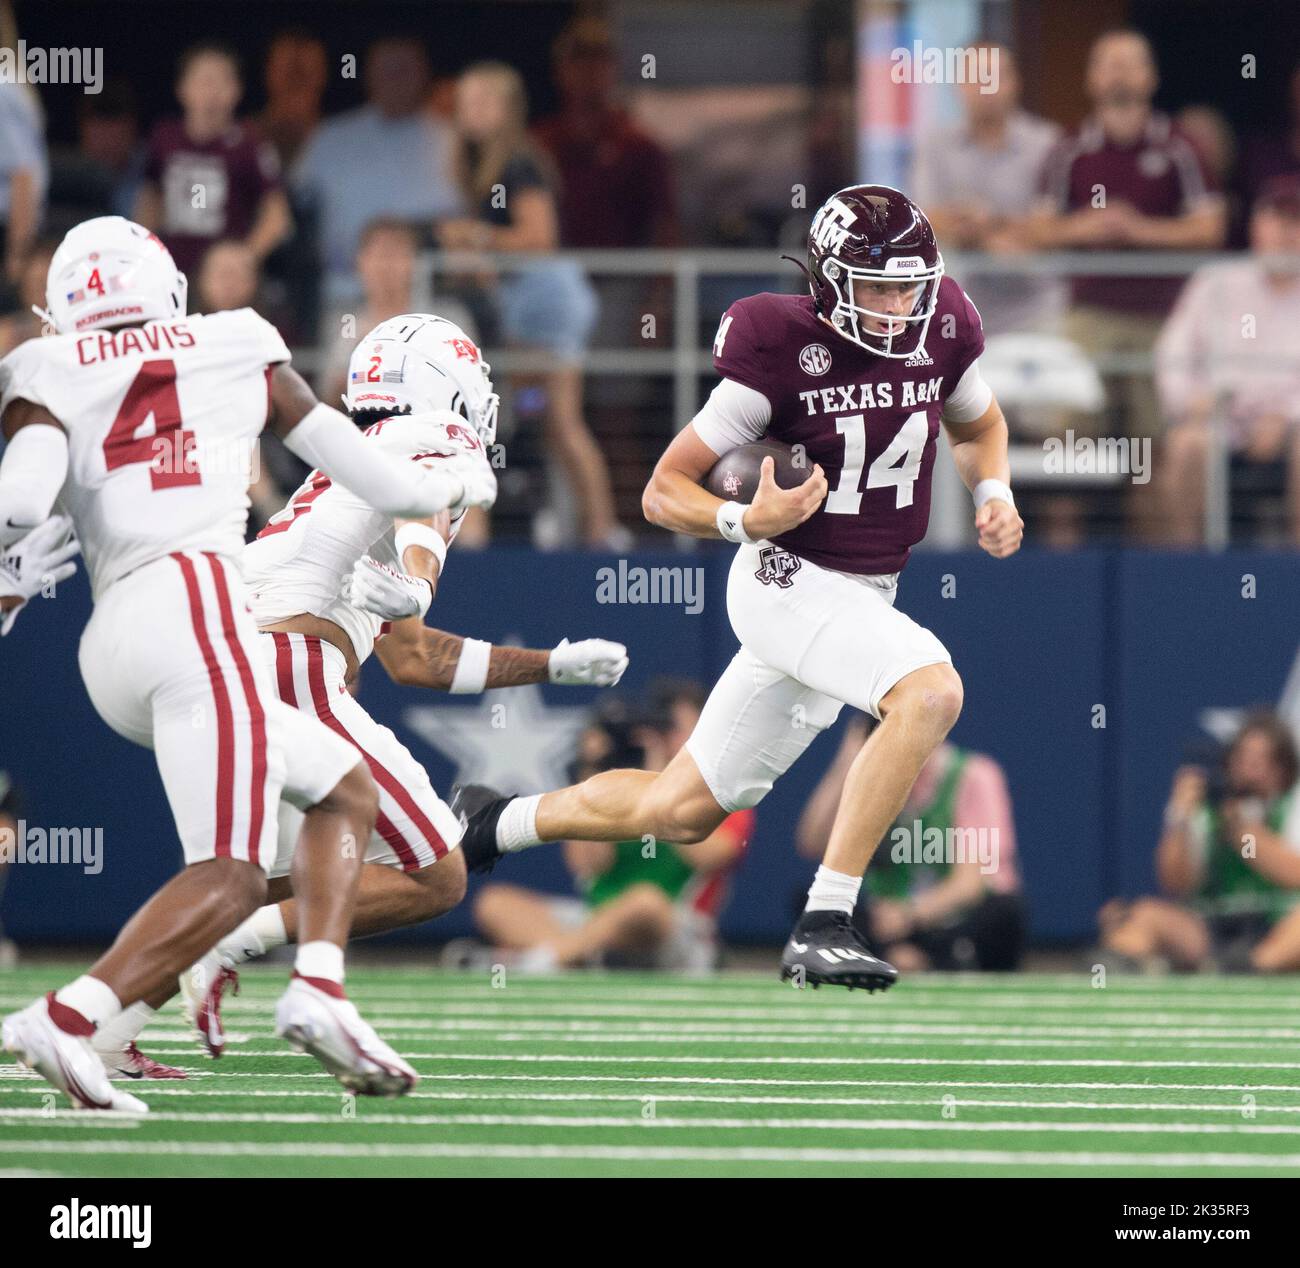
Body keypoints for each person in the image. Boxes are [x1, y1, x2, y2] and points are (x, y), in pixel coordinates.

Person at [454, 184, 1023, 992]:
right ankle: (828, 919)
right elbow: (661, 490)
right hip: (788, 576)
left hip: (864, 592)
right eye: (880, 287)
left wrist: (994, 492)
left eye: (910, 285)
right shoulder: (778, 343)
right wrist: (741, 519)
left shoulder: (943, 325)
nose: (899, 305)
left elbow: (980, 426)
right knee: (929, 693)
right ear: (829, 281)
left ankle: (493, 820)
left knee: (681, 810)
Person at [0, 216, 495, 1110]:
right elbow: (394, 486)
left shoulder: (49, 368)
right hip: (197, 610)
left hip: (116, 643)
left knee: (339, 793)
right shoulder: (235, 342)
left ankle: (314, 989)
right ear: (168, 291)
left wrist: (7, 574)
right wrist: (451, 488)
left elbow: (24, 500)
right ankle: (68, 1019)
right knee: (230, 875)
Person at [92, 313, 627, 1072]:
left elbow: (415, 659)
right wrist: (416, 579)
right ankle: (269, 968)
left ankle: (102, 1029)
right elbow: (423, 517)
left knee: (250, 879)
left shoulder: (341, 464)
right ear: (449, 390)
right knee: (437, 873)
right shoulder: (427, 439)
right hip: (292, 668)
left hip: (221, 669)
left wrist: (553, 665)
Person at [440, 61, 620, 548]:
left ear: (508, 109)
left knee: (560, 420)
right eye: (465, 103)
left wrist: (473, 236)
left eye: (483, 102)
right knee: (534, 417)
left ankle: (603, 532)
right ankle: (557, 525)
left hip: (547, 299)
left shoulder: (519, 161)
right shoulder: (485, 165)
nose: (470, 112)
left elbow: (540, 239)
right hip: (523, 299)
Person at [473, 680, 752, 973]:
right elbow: (588, 867)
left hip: (676, 928)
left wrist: (663, 784)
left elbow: (712, 856)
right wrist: (594, 768)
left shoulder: (720, 791)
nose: (669, 740)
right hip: (598, 920)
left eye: (677, 730)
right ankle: (571, 955)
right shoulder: (619, 781)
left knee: (646, 904)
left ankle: (551, 958)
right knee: (494, 904)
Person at [1029, 29, 1224, 446]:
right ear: (1091, 79)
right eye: (1108, 64)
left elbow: (1210, 227)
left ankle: (1150, 512)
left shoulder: (1179, 146)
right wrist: (1091, 225)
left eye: (1130, 64)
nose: (1118, 74)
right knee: (1067, 437)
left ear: (1151, 77)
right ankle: (1068, 511)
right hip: (1089, 313)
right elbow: (1039, 228)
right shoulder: (1070, 148)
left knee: (1156, 443)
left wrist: (1138, 228)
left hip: (1166, 316)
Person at [797, 715, 1025, 971]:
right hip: (885, 922)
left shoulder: (973, 776)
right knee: (812, 902)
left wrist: (909, 915)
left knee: (1003, 912)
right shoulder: (871, 782)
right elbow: (812, 843)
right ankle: (899, 956)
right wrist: (847, 765)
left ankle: (930, 960)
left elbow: (970, 884)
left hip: (952, 921)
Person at [1155, 177, 1300, 544]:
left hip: (1288, 424)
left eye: (1295, 222)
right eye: (1276, 219)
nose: (1285, 232)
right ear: (1256, 225)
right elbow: (1173, 351)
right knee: (1186, 446)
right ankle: (1187, 575)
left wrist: (1288, 416)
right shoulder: (1216, 281)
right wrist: (1190, 402)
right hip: (1218, 415)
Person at [1098, 713, 1300, 973]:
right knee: (1143, 915)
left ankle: (1248, 965)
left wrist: (1242, 830)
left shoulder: (1291, 806)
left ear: (1283, 771)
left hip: (1275, 925)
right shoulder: (1206, 809)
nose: (1250, 770)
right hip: (1214, 927)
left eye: (1262, 761)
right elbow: (1174, 883)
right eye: (1243, 759)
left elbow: (1295, 874)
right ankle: (1125, 963)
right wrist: (1179, 820)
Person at [909, 41, 1062, 336]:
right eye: (976, 76)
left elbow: (1055, 224)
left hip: (1039, 310)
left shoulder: (1048, 144)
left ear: (1015, 82)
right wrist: (986, 236)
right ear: (958, 85)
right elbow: (922, 218)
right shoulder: (935, 146)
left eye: (995, 76)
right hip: (955, 312)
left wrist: (988, 223)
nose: (986, 87)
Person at [293, 37, 461, 299]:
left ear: (424, 74)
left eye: (404, 70)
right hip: (341, 293)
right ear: (368, 75)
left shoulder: (454, 142)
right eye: (386, 70)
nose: (395, 79)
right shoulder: (330, 138)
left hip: (435, 295)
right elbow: (294, 208)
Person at [135, 43, 291, 280]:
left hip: (226, 281)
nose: (212, 92)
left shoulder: (251, 144)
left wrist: (243, 260)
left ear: (237, 90)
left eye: (222, 81)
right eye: (203, 81)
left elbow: (277, 218)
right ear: (182, 88)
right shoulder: (164, 138)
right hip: (170, 271)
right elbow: (149, 203)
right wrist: (141, 252)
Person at [531, 16, 678, 249]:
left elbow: (664, 221)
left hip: (622, 275)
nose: (589, 72)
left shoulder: (639, 145)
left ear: (614, 69)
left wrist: (662, 279)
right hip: (557, 272)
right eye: (579, 60)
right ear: (560, 70)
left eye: (599, 61)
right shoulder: (539, 143)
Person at [255, 29, 328, 170]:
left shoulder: (345, 141)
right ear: (269, 74)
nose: (297, 81)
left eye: (307, 73)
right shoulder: (236, 142)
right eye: (289, 73)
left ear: (323, 75)